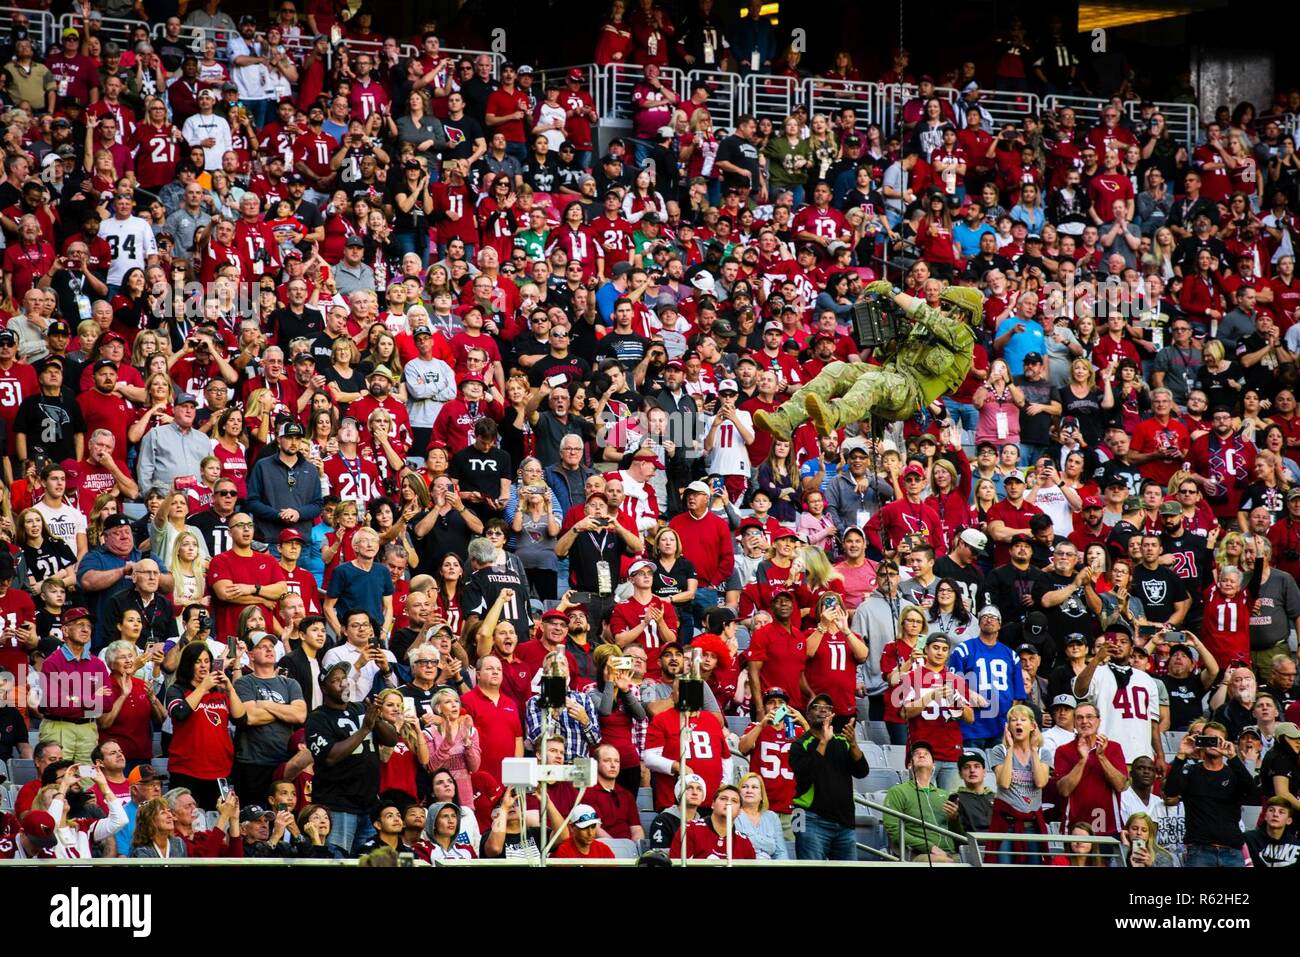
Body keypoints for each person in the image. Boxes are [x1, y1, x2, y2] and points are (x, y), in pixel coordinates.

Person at [754, 284, 979, 440]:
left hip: (910, 393)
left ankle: (833, 414)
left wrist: (892, 292)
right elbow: (885, 355)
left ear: (963, 314)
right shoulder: (926, 328)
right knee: (837, 369)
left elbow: (924, 313)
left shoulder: (964, 337)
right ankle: (784, 420)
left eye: (948, 307)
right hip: (891, 377)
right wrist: (895, 326)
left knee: (872, 380)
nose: (941, 308)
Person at [305, 662, 400, 855]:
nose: (343, 684)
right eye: (336, 680)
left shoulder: (360, 708)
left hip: (369, 806)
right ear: (324, 688)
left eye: (344, 679)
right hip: (338, 806)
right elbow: (330, 756)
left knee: (368, 862)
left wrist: (377, 720)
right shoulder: (318, 718)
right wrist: (365, 728)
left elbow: (391, 739)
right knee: (338, 859)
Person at [1164, 723, 1259, 867]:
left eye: (1217, 739)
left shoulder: (1234, 774)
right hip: (1199, 850)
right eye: (1208, 738)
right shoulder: (1191, 772)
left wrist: (1233, 757)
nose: (1213, 743)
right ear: (1201, 741)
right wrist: (1181, 755)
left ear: (1225, 742)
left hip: (1232, 851)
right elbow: (1170, 791)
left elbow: (1253, 793)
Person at [788, 694, 868, 860]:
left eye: (828, 707)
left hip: (845, 822)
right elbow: (806, 774)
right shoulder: (798, 744)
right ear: (808, 714)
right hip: (810, 819)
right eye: (817, 706)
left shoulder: (842, 741)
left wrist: (853, 743)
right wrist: (823, 742)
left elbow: (862, 771)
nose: (823, 709)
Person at [232, 631, 307, 805]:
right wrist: (285, 712)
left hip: (283, 762)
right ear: (250, 655)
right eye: (262, 647)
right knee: (253, 819)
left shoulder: (290, 683)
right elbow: (249, 717)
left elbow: (300, 715)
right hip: (253, 763)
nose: (269, 650)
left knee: (281, 816)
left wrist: (264, 704)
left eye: (271, 646)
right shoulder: (244, 682)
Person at [1054, 701, 1129, 837]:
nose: (1084, 721)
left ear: (1098, 721)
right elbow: (1064, 790)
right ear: (1075, 723)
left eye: (1089, 717)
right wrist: (1082, 760)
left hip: (1109, 827)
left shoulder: (1114, 748)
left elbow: (1121, 785)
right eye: (1079, 717)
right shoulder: (1063, 750)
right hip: (1074, 827)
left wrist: (1101, 756)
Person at [882, 740, 957, 862]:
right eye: (916, 754)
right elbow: (893, 830)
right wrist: (930, 847)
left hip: (952, 853)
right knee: (947, 863)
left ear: (934, 765)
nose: (921, 755)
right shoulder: (898, 791)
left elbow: (958, 833)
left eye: (926, 753)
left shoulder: (944, 794)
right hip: (917, 854)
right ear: (909, 765)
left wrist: (955, 819)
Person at [669, 784, 757, 860]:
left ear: (739, 811)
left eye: (734, 801)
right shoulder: (690, 830)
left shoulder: (744, 843)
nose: (728, 803)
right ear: (713, 804)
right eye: (723, 798)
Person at [1244, 797, 1300, 867]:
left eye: (1281, 812)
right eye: (1271, 810)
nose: (1275, 814)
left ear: (1289, 821)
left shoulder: (1297, 845)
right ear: (1265, 817)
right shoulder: (1248, 839)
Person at [550, 803, 617, 861]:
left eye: (593, 826)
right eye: (584, 828)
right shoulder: (563, 851)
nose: (590, 833)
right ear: (572, 827)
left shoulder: (604, 850)